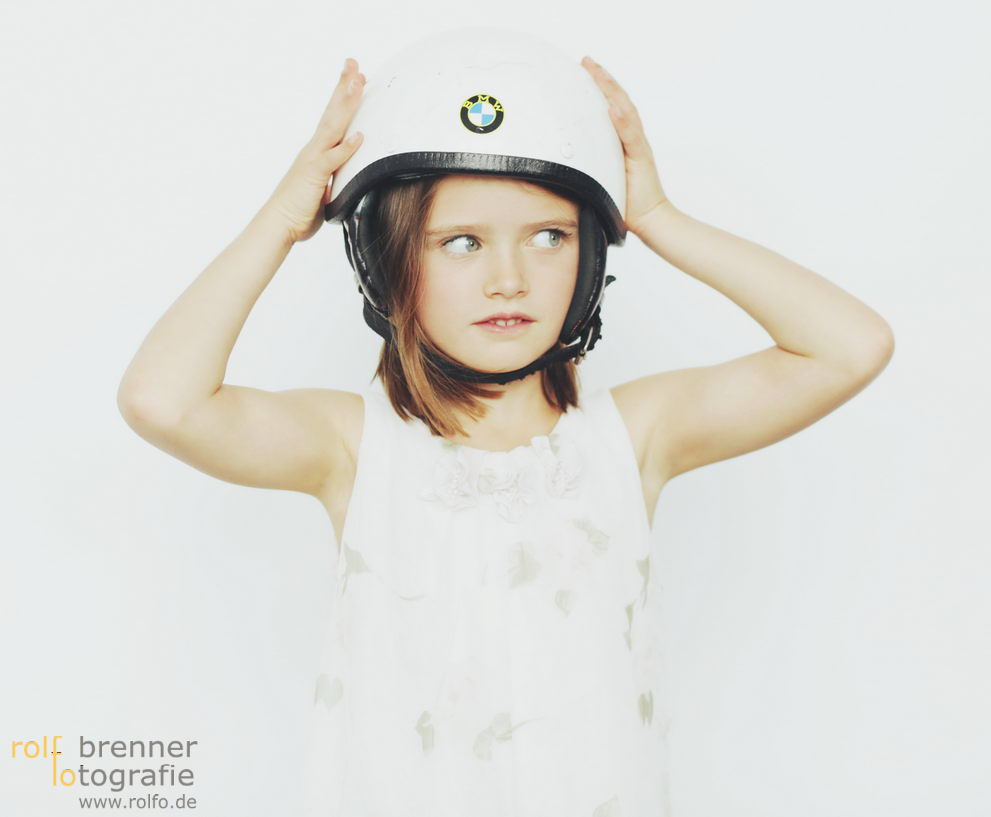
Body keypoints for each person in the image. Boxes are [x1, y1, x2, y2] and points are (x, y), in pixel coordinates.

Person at [117, 50, 894, 817]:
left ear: (590, 256)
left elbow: (849, 345)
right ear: (388, 262)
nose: (509, 278)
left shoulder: (633, 437)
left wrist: (656, 217)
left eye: (549, 236)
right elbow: (163, 401)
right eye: (461, 241)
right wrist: (283, 220)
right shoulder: (356, 446)